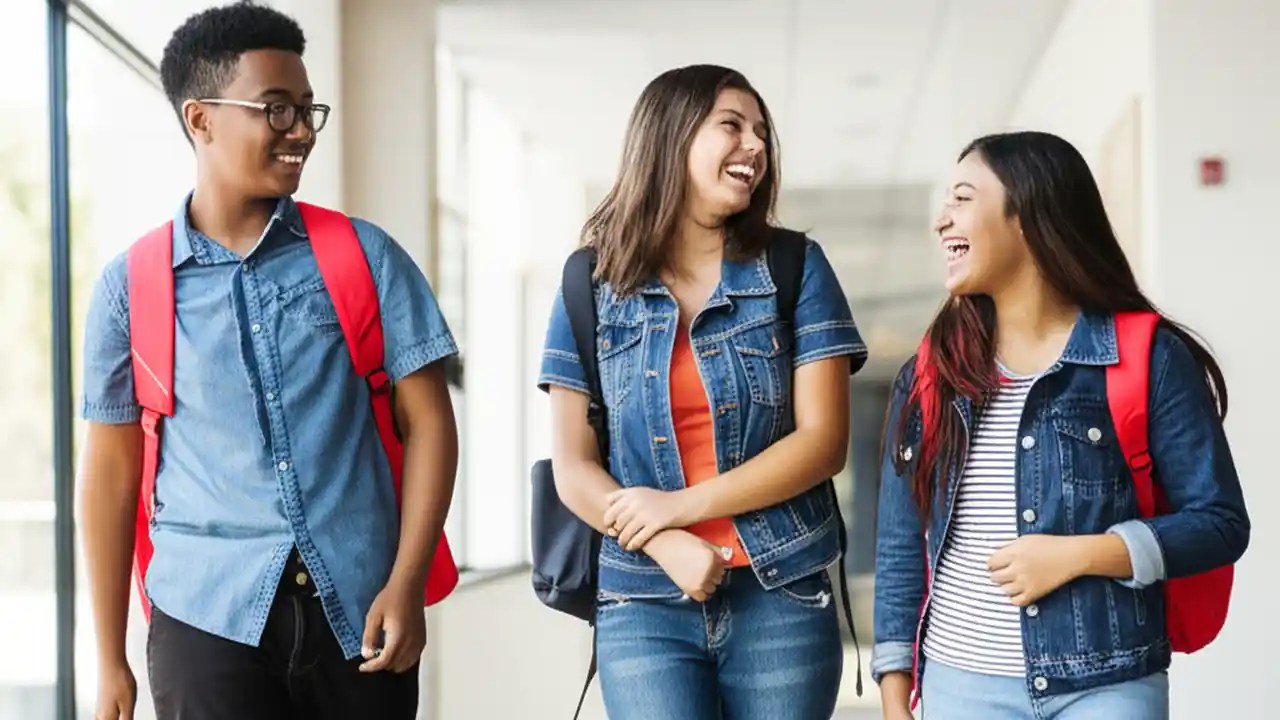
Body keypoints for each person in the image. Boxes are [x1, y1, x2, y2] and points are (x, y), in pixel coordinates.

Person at [78, 4, 459, 719]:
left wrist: (407, 583)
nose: (301, 131)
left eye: (308, 110)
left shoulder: (365, 257)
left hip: (361, 607)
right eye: (276, 110)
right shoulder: (130, 288)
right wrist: (109, 658)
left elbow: (430, 422)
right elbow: (109, 475)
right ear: (201, 118)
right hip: (205, 618)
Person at [872, 131, 1250, 720]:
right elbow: (900, 544)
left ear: (1027, 213)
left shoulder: (1148, 358)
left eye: (963, 198)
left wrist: (1082, 555)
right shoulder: (931, 373)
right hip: (959, 686)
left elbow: (1220, 523)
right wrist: (896, 699)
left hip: (1108, 684)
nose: (943, 222)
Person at [538, 64, 868, 720]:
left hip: (781, 592)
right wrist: (664, 539)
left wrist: (678, 506)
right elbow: (574, 468)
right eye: (732, 126)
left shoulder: (795, 267)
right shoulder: (591, 283)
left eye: (762, 132)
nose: (756, 145)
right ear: (670, 137)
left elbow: (823, 443)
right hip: (642, 601)